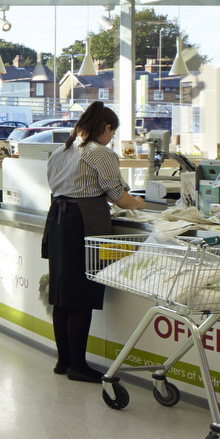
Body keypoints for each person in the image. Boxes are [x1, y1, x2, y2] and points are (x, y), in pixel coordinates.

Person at [44, 101, 146, 382]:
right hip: (84, 223)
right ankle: (78, 365)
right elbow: (120, 198)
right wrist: (139, 201)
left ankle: (64, 362)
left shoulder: (60, 151)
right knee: (81, 297)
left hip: (59, 222)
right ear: (106, 127)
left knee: (63, 297)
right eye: (111, 133)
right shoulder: (100, 154)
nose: (111, 138)